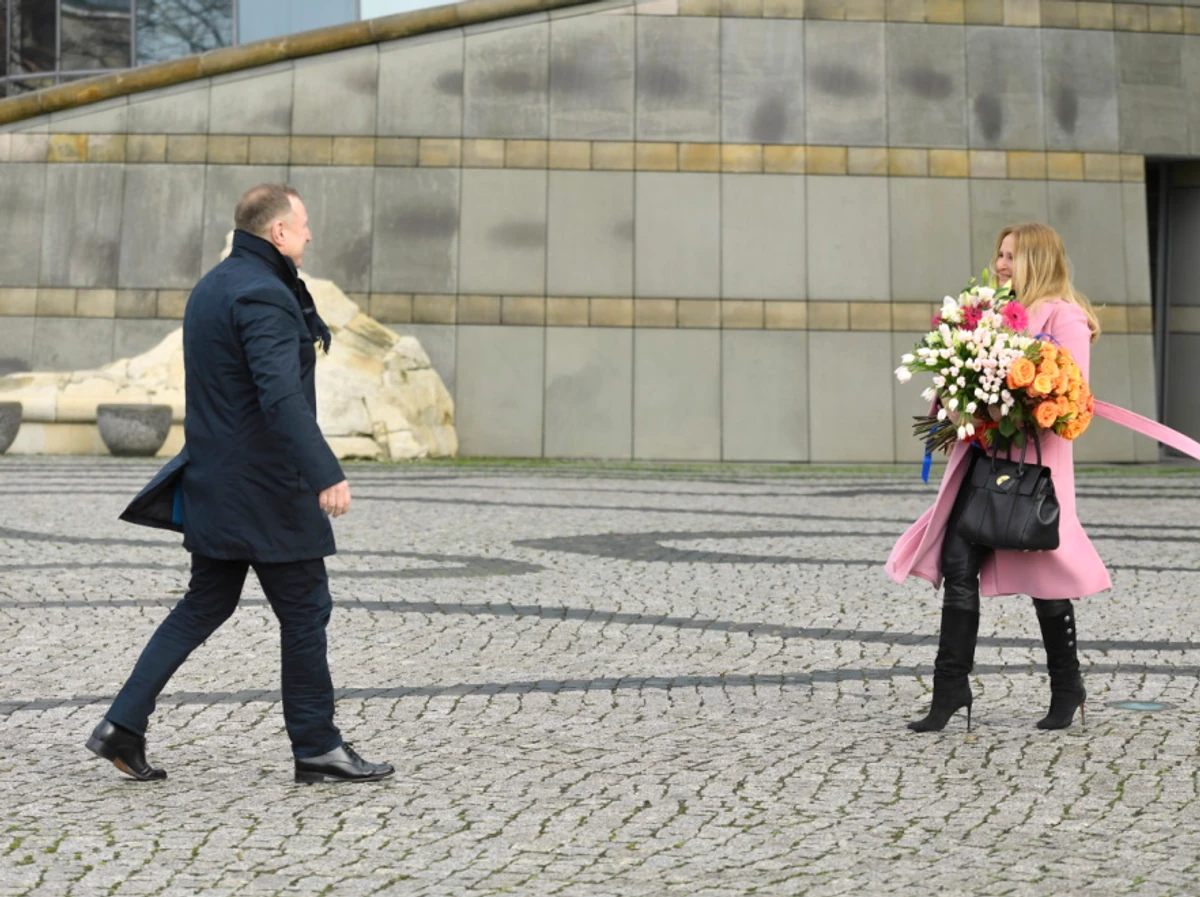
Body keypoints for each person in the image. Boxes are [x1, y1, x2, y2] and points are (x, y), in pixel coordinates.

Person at [86, 184, 393, 783]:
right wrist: (325, 472)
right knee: (306, 608)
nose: (309, 234)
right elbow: (278, 396)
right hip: (266, 488)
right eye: (303, 224)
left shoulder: (214, 287)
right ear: (277, 232)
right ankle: (317, 747)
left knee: (205, 602)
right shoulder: (263, 294)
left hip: (217, 482)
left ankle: (121, 724)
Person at [887, 222, 1108, 733]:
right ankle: (950, 689)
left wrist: (1007, 391)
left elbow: (1072, 399)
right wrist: (961, 385)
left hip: (1034, 469)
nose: (1001, 264)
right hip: (984, 459)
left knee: (1045, 578)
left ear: (1036, 259)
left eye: (1010, 256)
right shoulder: (992, 312)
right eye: (1000, 255)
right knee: (958, 563)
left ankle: (1068, 686)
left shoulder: (1066, 316)